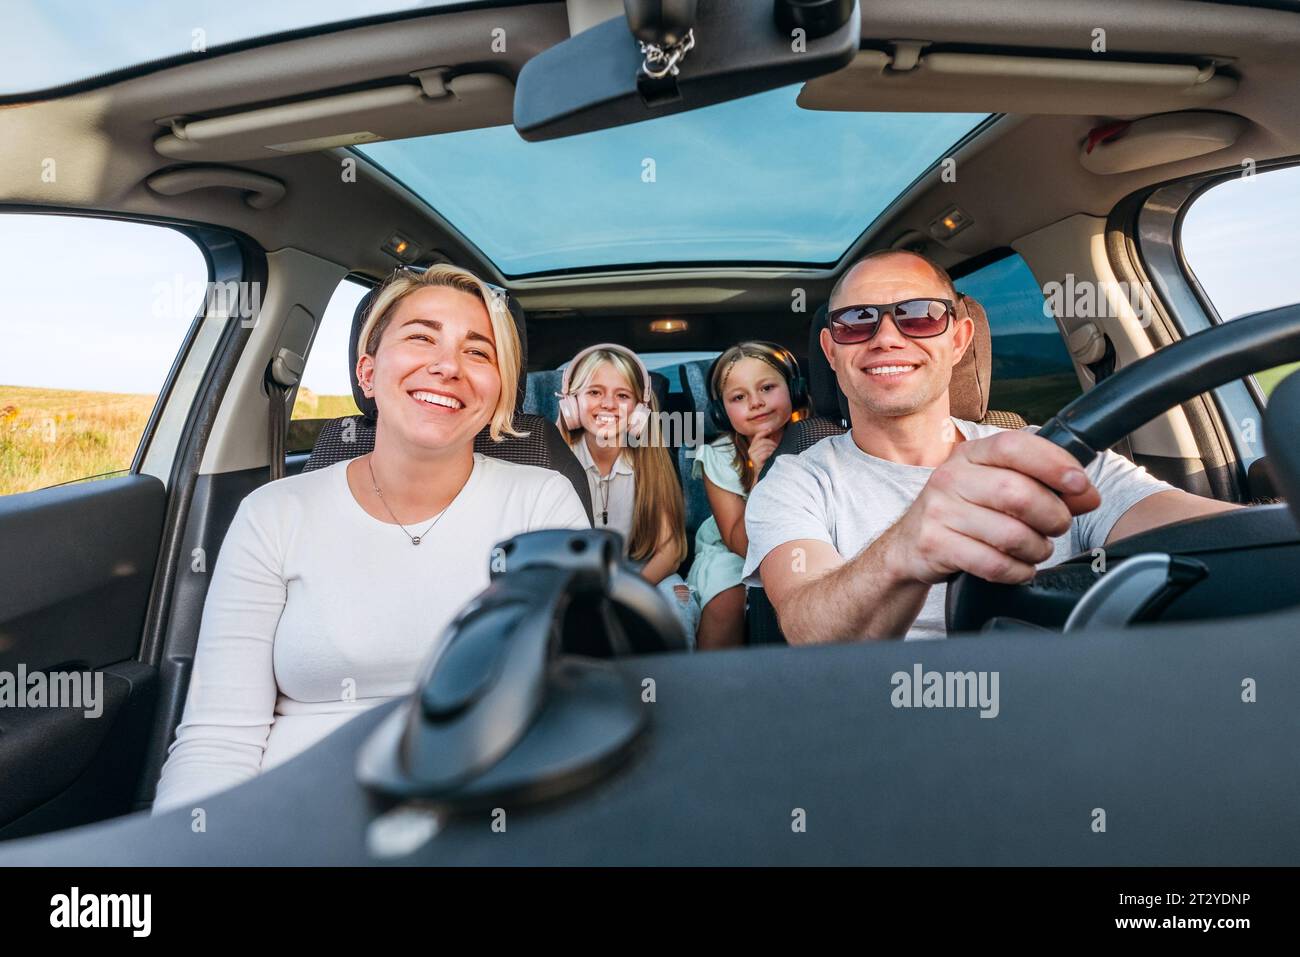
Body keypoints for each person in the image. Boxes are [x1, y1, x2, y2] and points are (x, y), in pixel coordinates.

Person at [152, 265, 590, 814]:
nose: (448, 365)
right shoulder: (274, 513)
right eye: (421, 337)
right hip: (293, 817)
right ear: (368, 370)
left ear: (499, 389)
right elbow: (218, 741)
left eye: (479, 353)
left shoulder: (542, 501)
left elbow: (569, 706)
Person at [743, 249, 1240, 643]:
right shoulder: (796, 479)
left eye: (918, 316)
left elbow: (1216, 536)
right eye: (857, 321)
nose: (886, 338)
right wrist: (903, 548)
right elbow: (808, 628)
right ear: (832, 351)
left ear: (959, 341)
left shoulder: (1045, 455)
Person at [555, 343, 700, 646]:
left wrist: (627, 595)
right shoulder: (558, 459)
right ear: (571, 403)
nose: (608, 404)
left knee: (678, 600)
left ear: (640, 412)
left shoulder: (648, 463)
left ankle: (673, 684)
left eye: (622, 396)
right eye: (594, 392)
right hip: (573, 576)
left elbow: (671, 550)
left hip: (635, 571)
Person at [688, 342, 810, 649]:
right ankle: (714, 685)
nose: (756, 403)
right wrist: (759, 474)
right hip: (733, 551)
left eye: (767, 387)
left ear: (794, 391)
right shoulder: (716, 456)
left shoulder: (819, 441)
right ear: (720, 411)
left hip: (805, 540)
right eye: (739, 397)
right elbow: (740, 544)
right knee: (726, 596)